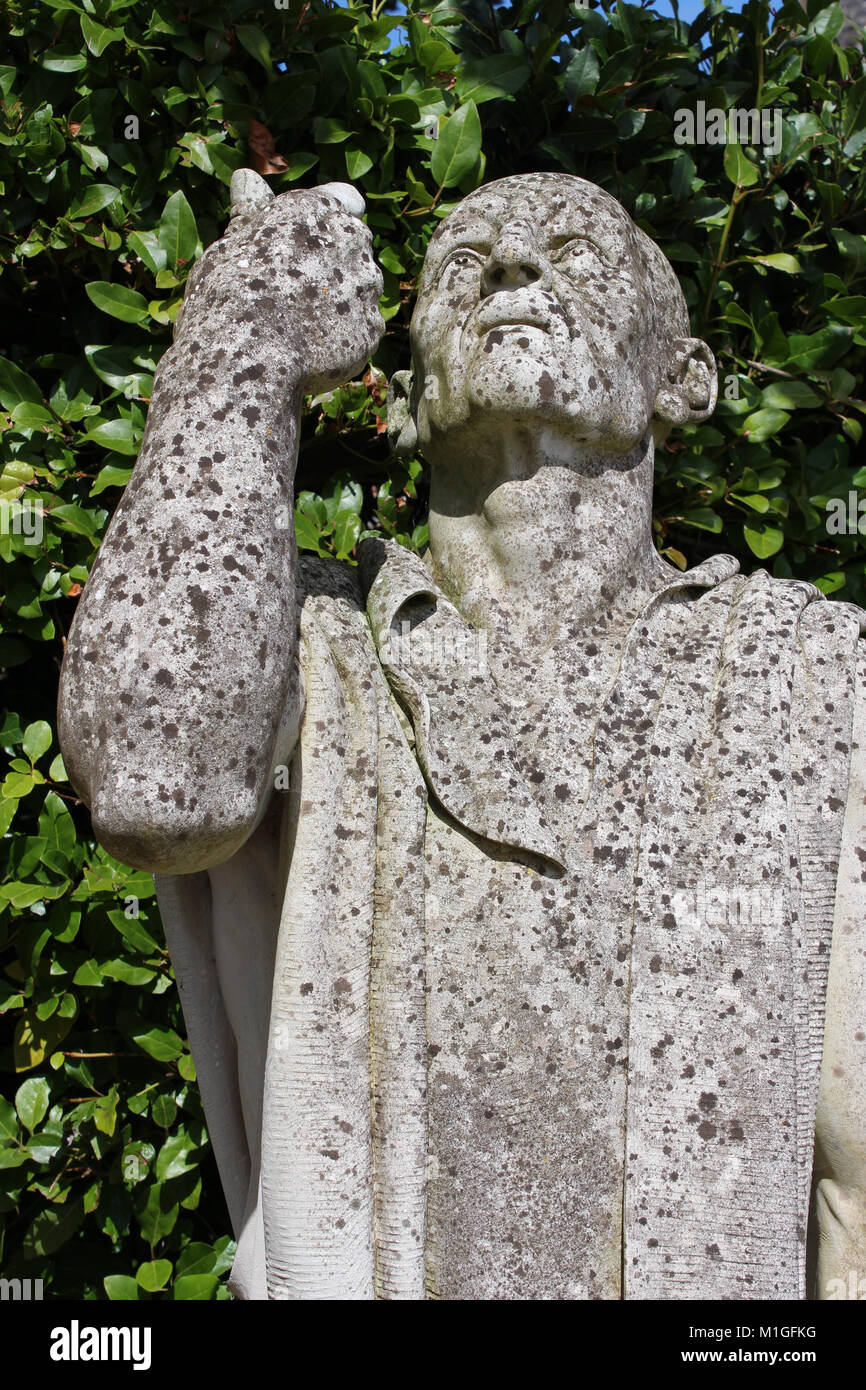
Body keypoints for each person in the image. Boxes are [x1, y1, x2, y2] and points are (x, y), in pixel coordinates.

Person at [58, 170, 866, 1300]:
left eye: (575, 255)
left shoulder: (809, 675)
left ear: (680, 377)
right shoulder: (313, 643)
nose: (514, 270)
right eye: (463, 265)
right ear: (401, 401)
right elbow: (157, 789)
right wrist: (244, 340)